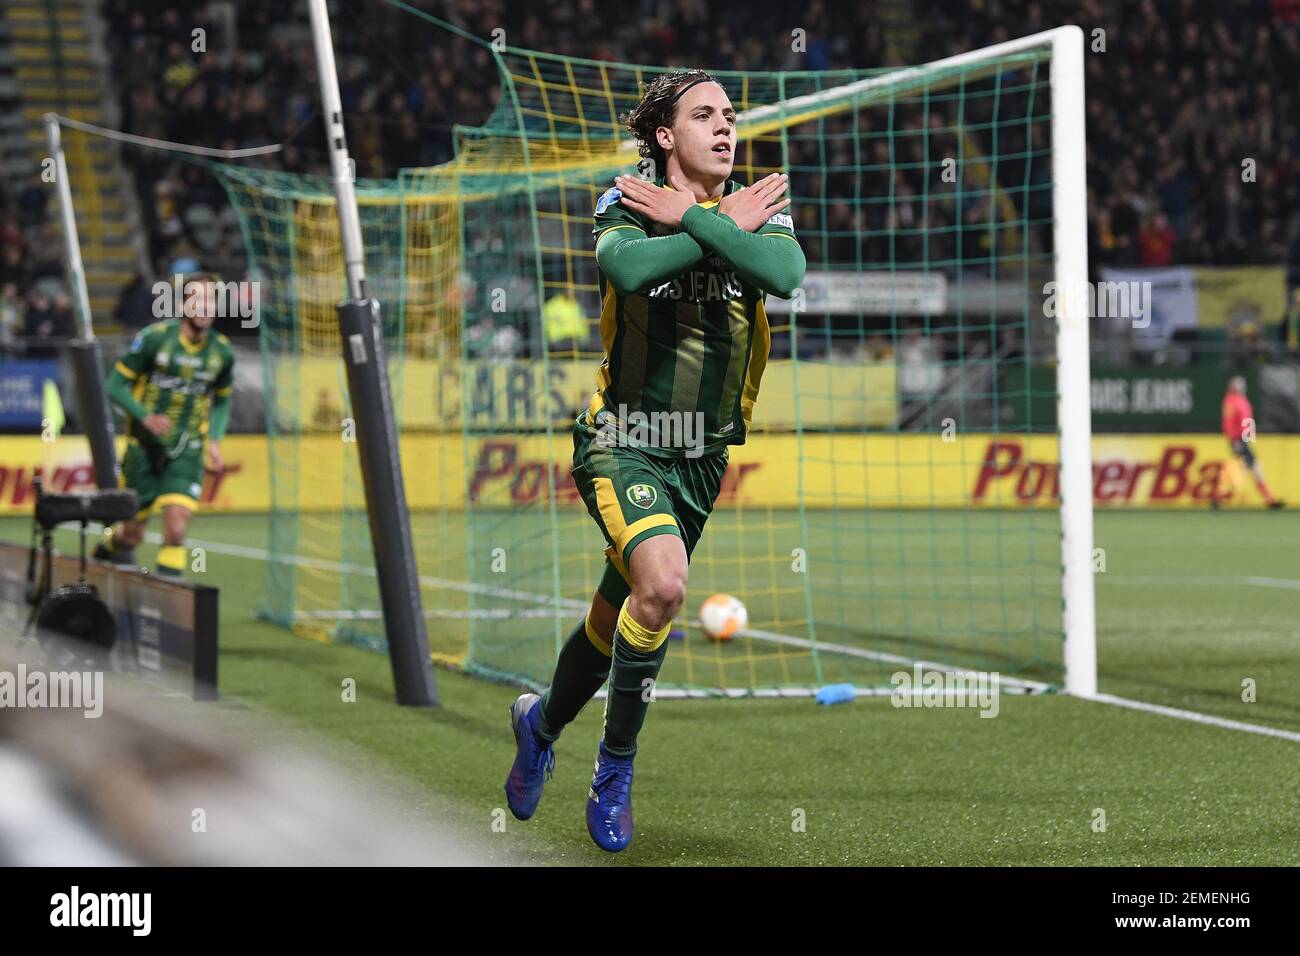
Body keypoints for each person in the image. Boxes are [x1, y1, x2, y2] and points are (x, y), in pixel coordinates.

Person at [502, 69, 805, 852]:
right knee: (665, 587)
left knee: (617, 616)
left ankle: (539, 726)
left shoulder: (762, 211)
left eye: (731, 115)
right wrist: (704, 222)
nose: (726, 126)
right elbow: (629, 270)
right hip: (624, 440)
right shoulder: (626, 199)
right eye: (705, 115)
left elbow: (786, 276)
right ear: (666, 137)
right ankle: (615, 767)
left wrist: (701, 218)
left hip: (702, 458)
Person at [94, 273, 236, 574]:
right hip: (143, 449)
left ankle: (170, 610)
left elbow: (222, 399)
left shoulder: (222, 352)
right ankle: (106, 549)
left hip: (188, 448)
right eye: (197, 299)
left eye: (210, 300)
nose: (204, 306)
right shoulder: (154, 338)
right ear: (183, 304)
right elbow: (115, 385)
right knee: (132, 534)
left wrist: (214, 440)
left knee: (176, 527)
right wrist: (144, 416)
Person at [1212, 375, 1283, 510]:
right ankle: (1218, 497)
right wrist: (1239, 440)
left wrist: (1247, 438)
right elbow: (1235, 423)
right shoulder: (1233, 402)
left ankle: (1270, 500)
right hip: (1239, 440)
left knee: (1252, 469)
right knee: (1242, 471)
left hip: (1241, 440)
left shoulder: (1236, 401)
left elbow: (1245, 420)